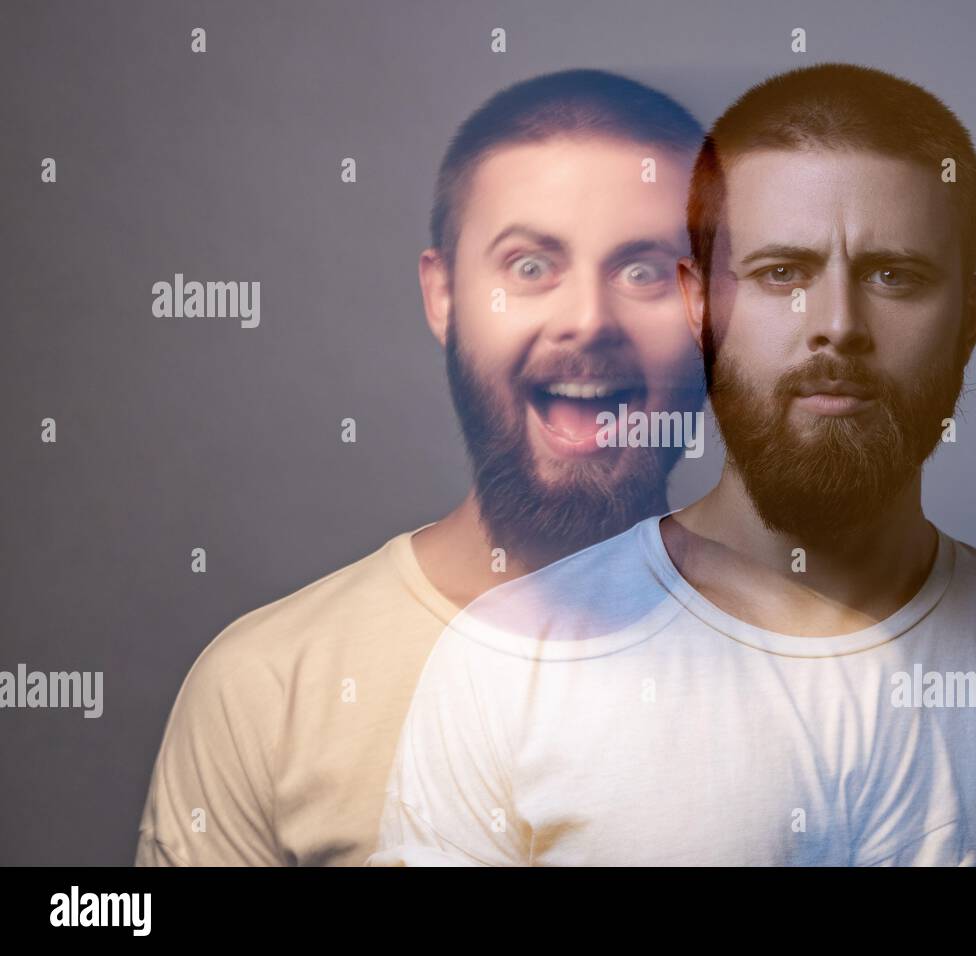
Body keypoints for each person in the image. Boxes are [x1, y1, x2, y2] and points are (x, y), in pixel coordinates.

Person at [371, 63, 976, 866]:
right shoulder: (504, 669)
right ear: (700, 304)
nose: (837, 325)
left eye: (895, 274)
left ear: (972, 318)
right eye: (781, 273)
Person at [135, 69, 706, 865]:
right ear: (443, 297)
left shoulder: (836, 670)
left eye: (644, 270)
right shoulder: (265, 688)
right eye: (531, 267)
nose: (587, 321)